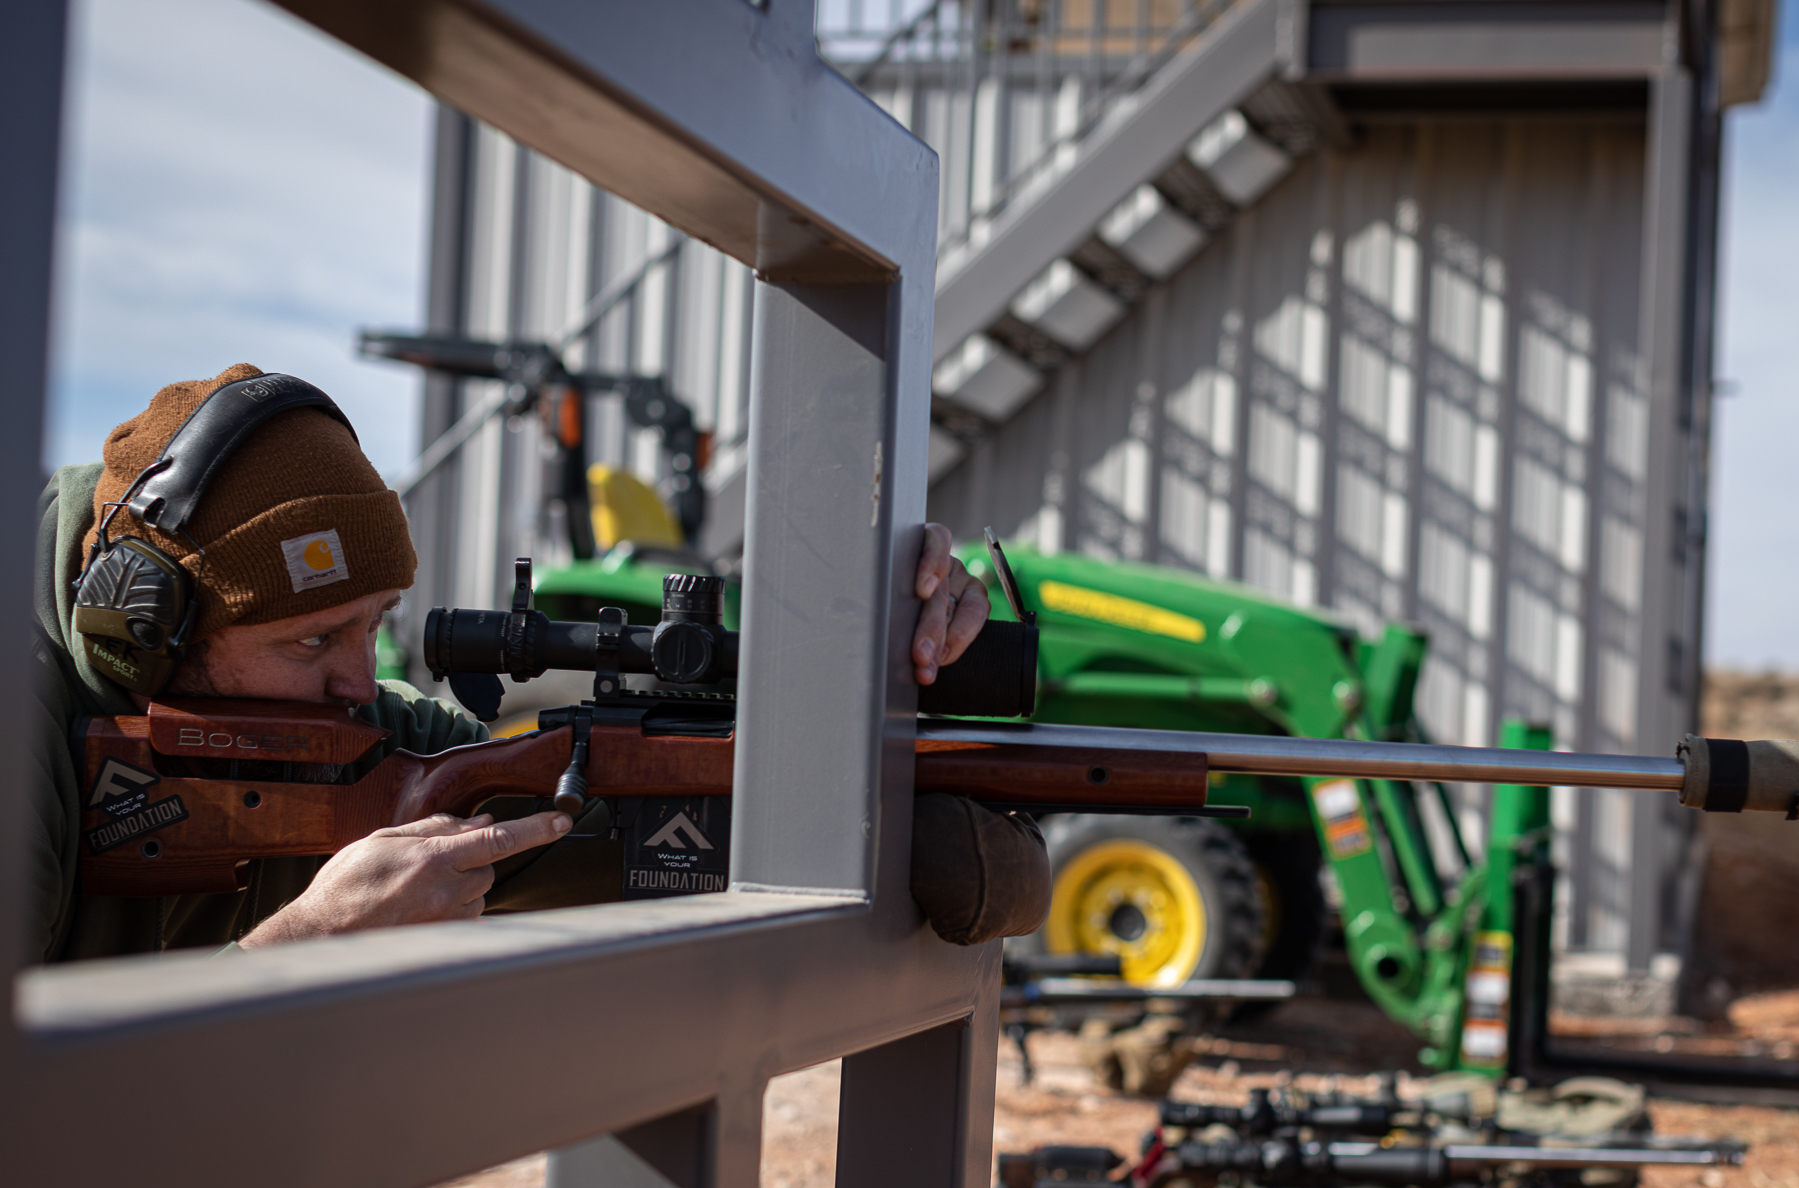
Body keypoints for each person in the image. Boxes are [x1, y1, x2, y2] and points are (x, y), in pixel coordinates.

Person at [31, 363, 1049, 962]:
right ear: (139, 627)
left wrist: (899, 686)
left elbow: (636, 841)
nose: (362, 680)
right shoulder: (29, 735)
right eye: (311, 640)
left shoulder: (367, 748)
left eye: (371, 624)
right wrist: (301, 956)